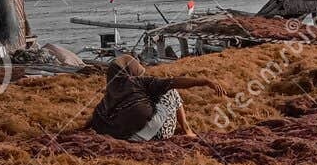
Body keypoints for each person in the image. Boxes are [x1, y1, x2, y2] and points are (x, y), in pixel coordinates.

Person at [88, 54, 220, 141]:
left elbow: (95, 121)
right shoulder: (137, 82)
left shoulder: (107, 99)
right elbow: (174, 81)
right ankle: (188, 130)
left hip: (128, 137)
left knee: (155, 95)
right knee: (170, 90)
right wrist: (204, 81)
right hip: (153, 135)